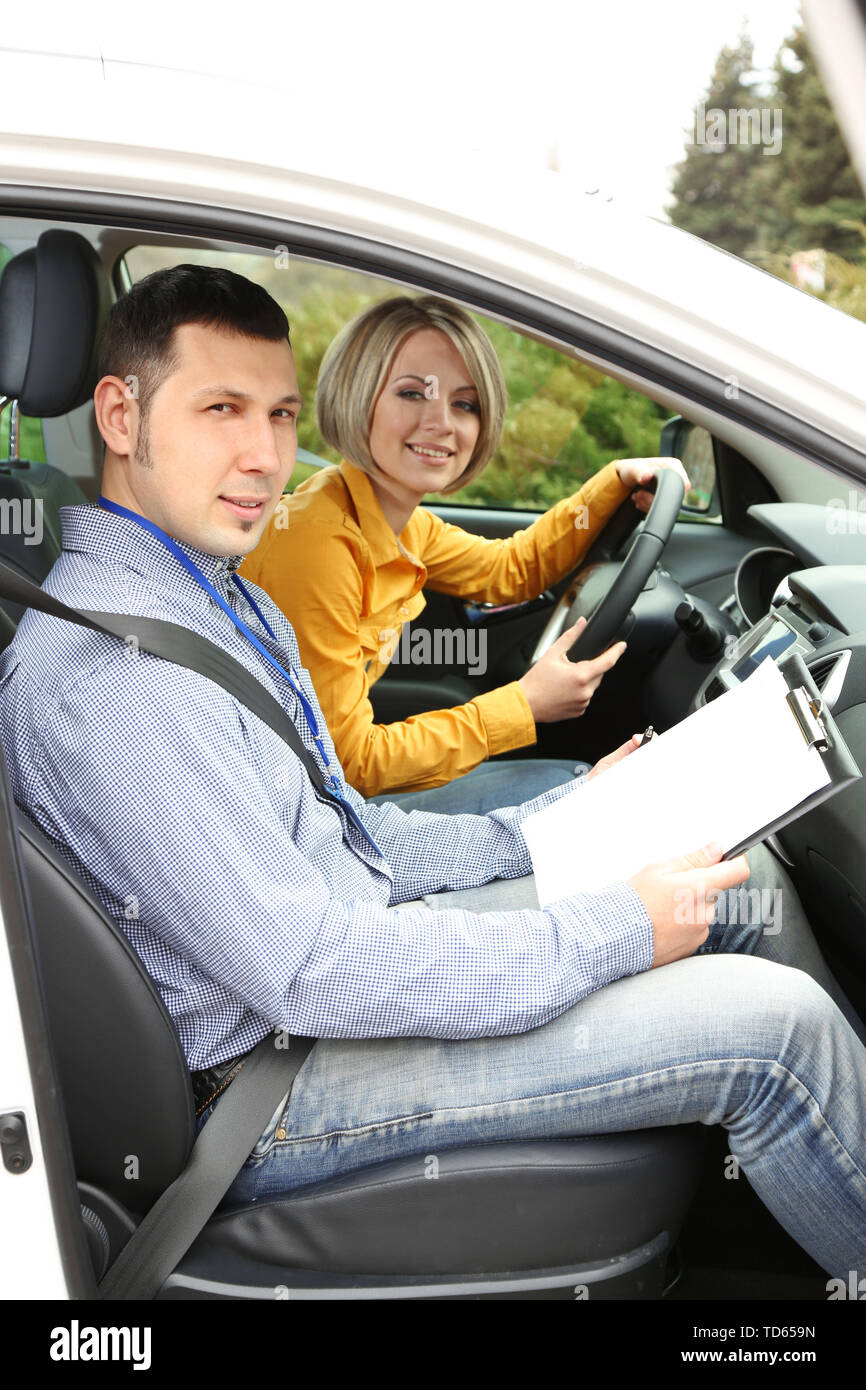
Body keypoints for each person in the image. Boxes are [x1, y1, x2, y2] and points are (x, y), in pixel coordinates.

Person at [0, 264, 864, 1281]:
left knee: (738, 884)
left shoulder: (208, 593)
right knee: (779, 1031)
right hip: (276, 1083)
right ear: (119, 415)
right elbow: (310, 971)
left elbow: (346, 828)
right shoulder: (118, 681)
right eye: (220, 410)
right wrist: (617, 926)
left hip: (330, 974)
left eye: (279, 415)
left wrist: (550, 822)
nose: (264, 456)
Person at [239, 295, 690, 812]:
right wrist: (524, 705)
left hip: (313, 792)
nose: (443, 423)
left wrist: (614, 482)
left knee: (574, 786)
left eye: (465, 404)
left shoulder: (400, 523)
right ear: (355, 396)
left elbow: (512, 570)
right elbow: (346, 763)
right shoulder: (320, 544)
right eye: (412, 393)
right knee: (577, 790)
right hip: (292, 811)